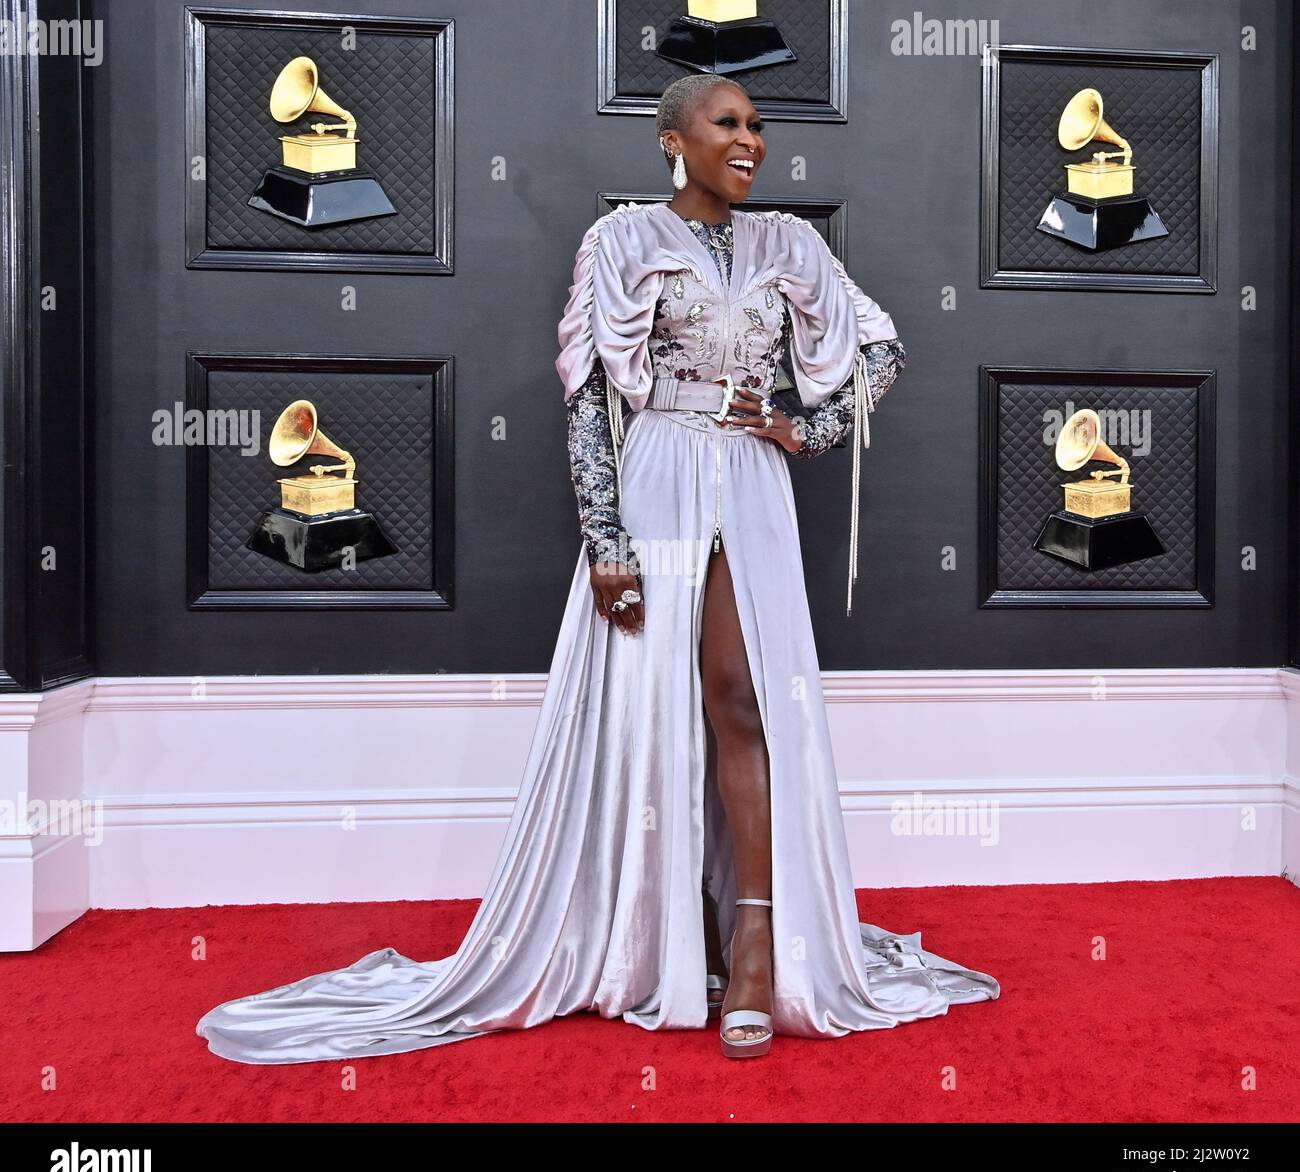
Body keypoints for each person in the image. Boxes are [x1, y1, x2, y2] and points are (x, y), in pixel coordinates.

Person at [195, 73, 999, 1066]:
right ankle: (671, 934)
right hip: (658, 471)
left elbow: (880, 349)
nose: (749, 141)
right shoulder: (620, 241)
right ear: (674, 139)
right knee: (657, 711)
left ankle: (754, 938)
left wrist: (804, 427)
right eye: (727, 124)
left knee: (743, 698)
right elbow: (587, 403)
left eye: (757, 126)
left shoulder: (791, 240)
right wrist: (608, 544)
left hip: (750, 480)